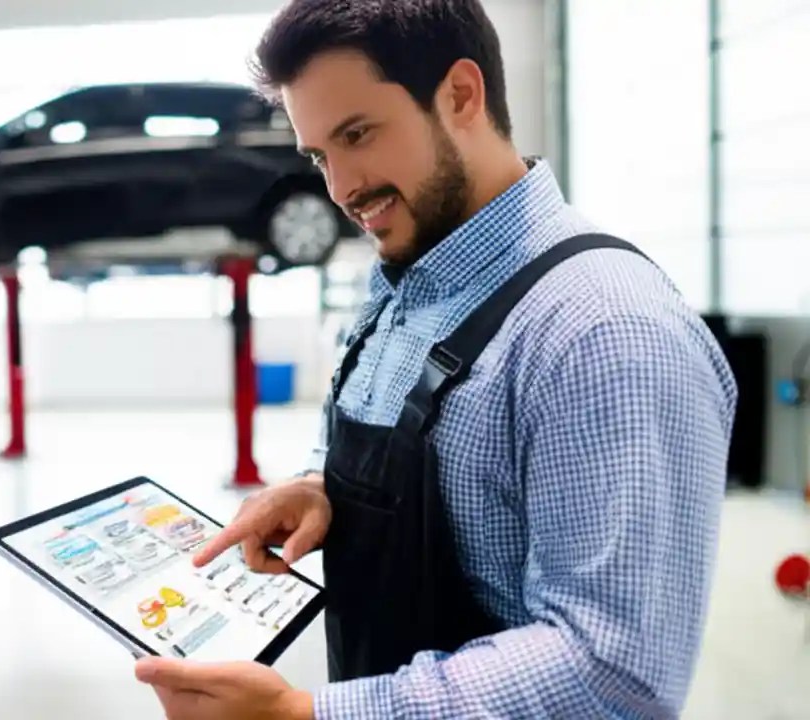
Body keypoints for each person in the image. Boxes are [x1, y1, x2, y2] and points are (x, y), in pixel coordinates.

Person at [133, 1, 737, 718]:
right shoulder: (403, 279)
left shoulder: (604, 331)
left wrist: (303, 718)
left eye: (358, 134)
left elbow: (610, 673)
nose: (342, 188)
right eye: (322, 155)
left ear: (460, 96)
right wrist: (321, 490)